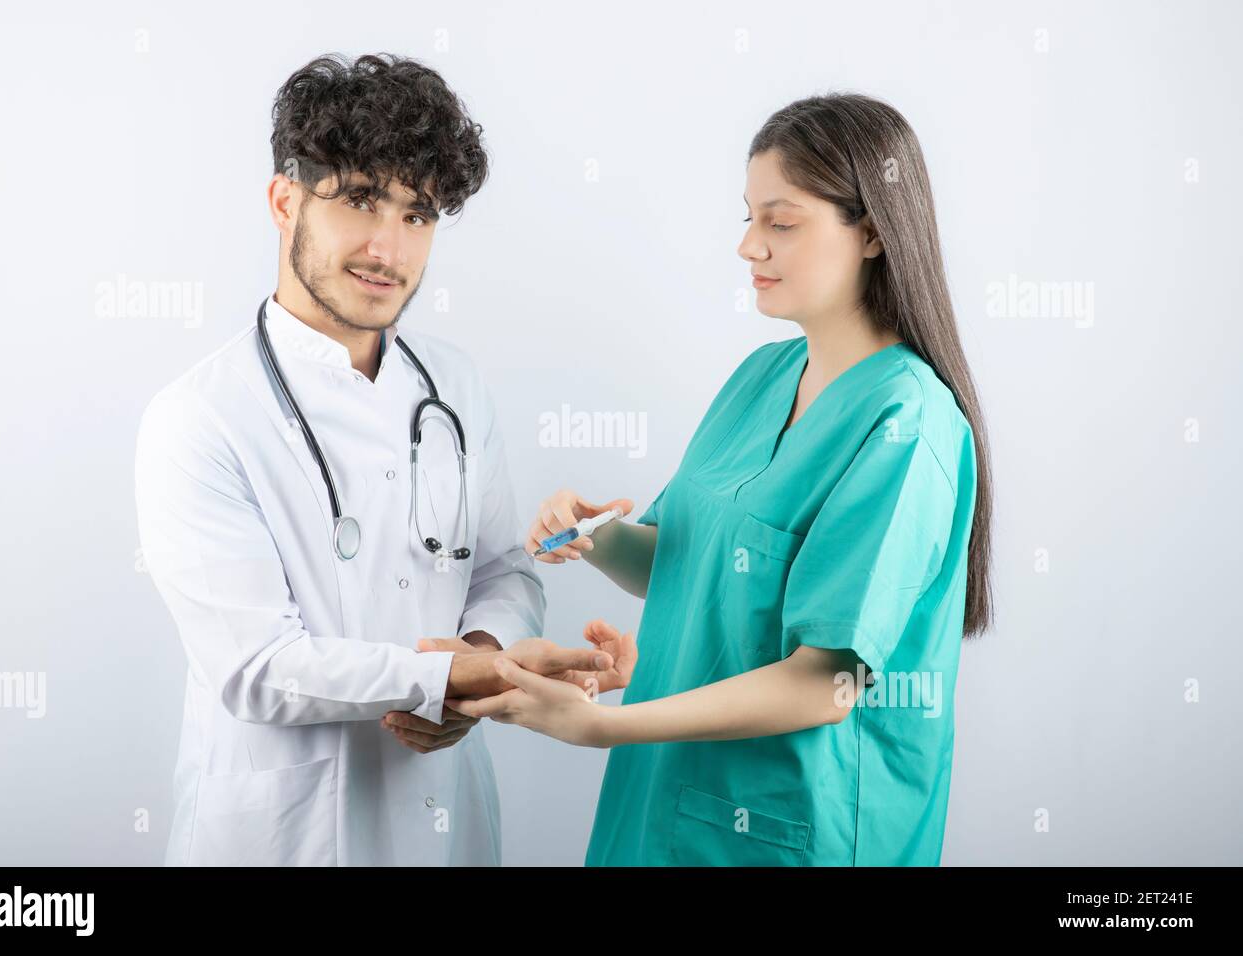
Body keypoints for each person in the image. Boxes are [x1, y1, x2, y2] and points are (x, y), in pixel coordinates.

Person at [447, 93, 995, 866]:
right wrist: (599, 537)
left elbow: (823, 685)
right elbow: (682, 558)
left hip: (790, 829)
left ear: (872, 231)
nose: (748, 246)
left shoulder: (908, 425)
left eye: (781, 221)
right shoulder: (761, 377)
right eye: (747, 218)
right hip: (660, 808)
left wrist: (601, 724)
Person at [134, 53, 619, 867]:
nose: (388, 248)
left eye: (418, 214)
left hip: (447, 821)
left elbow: (504, 572)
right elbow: (255, 666)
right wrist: (441, 683)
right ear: (285, 200)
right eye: (360, 199)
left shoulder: (454, 386)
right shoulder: (200, 416)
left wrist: (484, 659)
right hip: (280, 835)